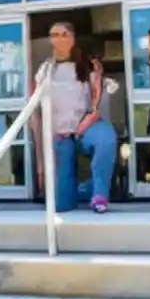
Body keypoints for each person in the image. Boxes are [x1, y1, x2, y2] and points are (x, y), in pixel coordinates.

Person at [32, 22, 117, 214]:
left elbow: (96, 101)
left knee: (106, 138)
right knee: (62, 204)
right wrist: (40, 162)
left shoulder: (88, 66)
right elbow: (36, 110)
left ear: (73, 38)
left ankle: (100, 194)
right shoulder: (46, 69)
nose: (59, 39)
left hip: (86, 126)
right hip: (60, 134)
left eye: (64, 34)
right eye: (54, 35)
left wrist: (83, 125)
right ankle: (83, 190)